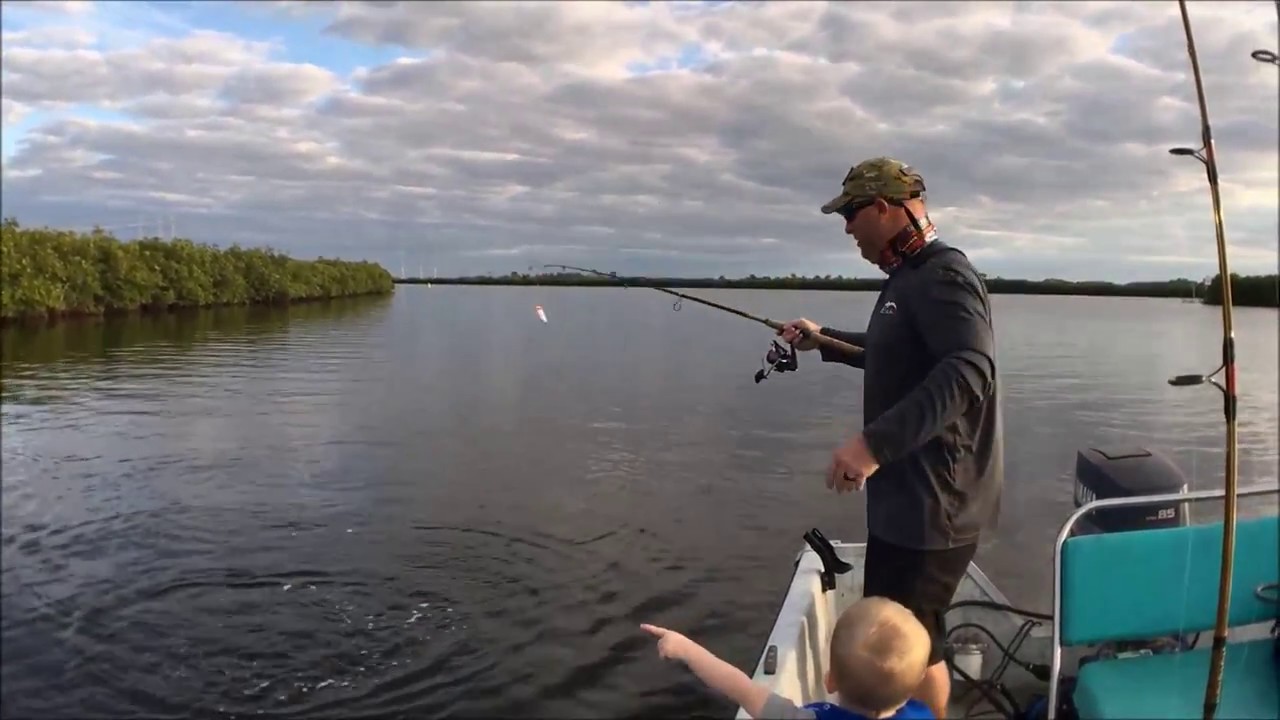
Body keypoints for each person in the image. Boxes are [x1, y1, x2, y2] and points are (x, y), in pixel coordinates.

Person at [778, 157, 1002, 719]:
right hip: (909, 504)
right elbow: (896, 355)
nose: (847, 228)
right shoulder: (908, 279)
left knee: (911, 645)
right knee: (911, 635)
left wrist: (871, 445)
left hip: (935, 509)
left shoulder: (942, 274)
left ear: (884, 207)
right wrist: (821, 338)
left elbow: (969, 369)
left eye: (851, 214)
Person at [641, 596, 935, 719]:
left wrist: (684, 648)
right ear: (913, 687)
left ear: (830, 680)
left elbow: (740, 687)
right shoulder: (924, 715)